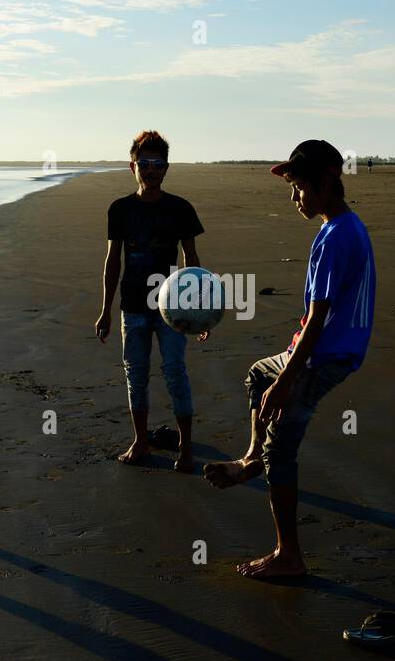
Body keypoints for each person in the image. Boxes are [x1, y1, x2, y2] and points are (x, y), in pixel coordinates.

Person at [203, 140, 375, 579]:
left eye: (298, 186)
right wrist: (281, 371)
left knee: (282, 447)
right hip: (321, 349)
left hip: (324, 356)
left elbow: (319, 316)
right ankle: (250, 459)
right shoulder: (340, 228)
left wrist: (289, 376)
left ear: (324, 183)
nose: (293, 196)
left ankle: (289, 556)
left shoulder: (337, 236)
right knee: (259, 374)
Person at [95, 130, 206, 471]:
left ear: (166, 168)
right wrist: (105, 311)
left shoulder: (180, 209)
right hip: (132, 308)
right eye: (145, 163)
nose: (151, 169)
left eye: (158, 164)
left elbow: (191, 259)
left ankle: (186, 449)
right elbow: (114, 260)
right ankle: (141, 441)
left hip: (170, 310)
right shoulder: (120, 209)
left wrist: (199, 310)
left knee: (175, 372)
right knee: (136, 375)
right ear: (133, 167)